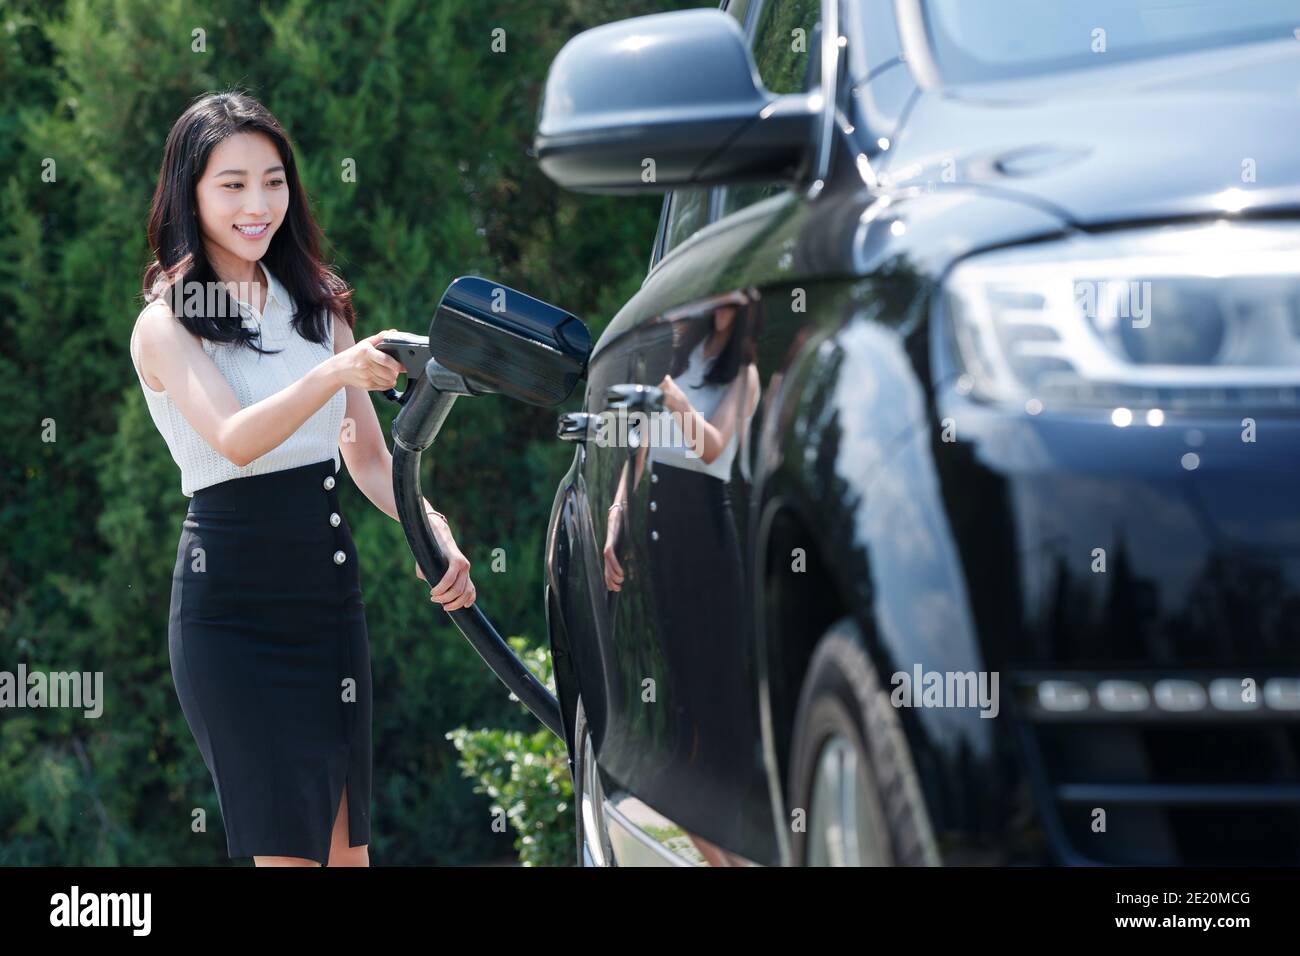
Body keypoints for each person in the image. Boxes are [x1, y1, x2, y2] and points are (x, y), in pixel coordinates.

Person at [128, 90, 476, 867]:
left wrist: (437, 535)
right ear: (189, 192)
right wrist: (333, 374)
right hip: (232, 618)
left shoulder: (318, 303)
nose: (259, 204)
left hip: (328, 604)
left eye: (274, 180)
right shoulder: (167, 322)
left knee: (348, 860)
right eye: (233, 183)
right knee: (286, 858)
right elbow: (233, 439)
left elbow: (368, 459)